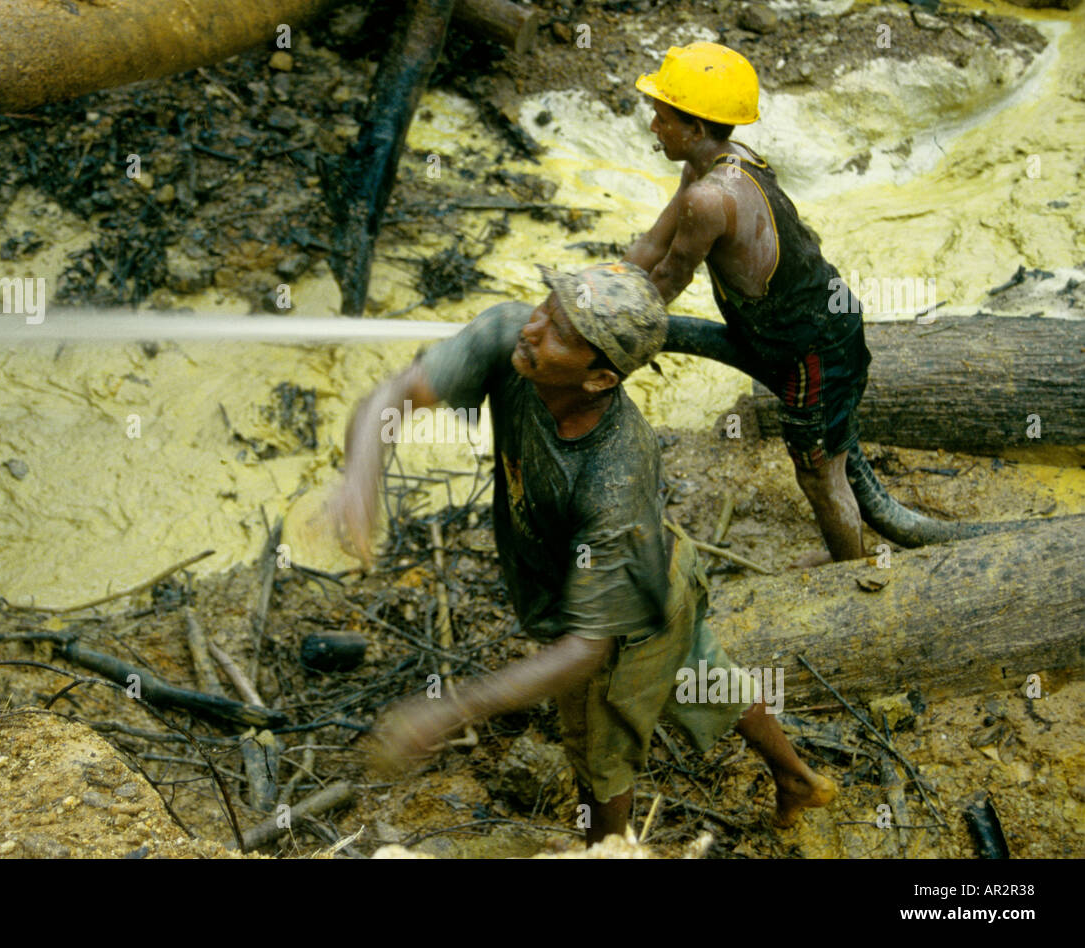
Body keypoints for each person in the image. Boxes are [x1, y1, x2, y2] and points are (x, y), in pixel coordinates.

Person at [327, 262, 834, 846]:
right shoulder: (510, 337)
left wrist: (453, 709)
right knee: (703, 670)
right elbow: (394, 394)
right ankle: (797, 778)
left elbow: (586, 650)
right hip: (661, 562)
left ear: (599, 379)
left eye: (561, 332)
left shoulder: (611, 473)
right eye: (545, 305)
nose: (534, 328)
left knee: (601, 758)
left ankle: (605, 851)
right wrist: (359, 483)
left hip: (627, 622)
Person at [626, 42, 872, 564]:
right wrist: (601, 285)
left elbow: (669, 275)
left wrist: (614, 324)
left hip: (814, 345)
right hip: (796, 326)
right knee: (826, 460)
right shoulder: (710, 170)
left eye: (661, 116)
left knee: (818, 471)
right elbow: (650, 247)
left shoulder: (711, 197)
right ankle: (847, 551)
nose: (653, 125)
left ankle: (853, 575)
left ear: (695, 129)